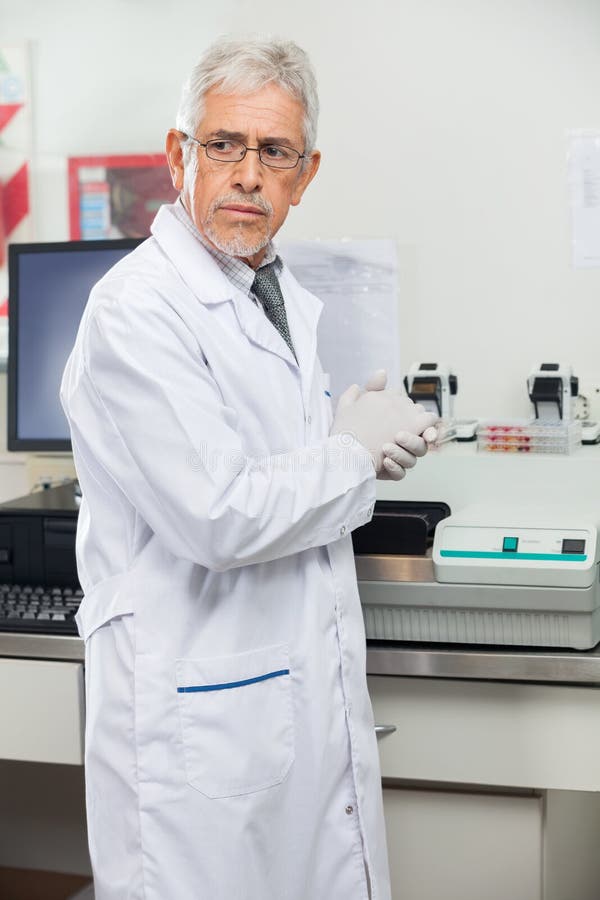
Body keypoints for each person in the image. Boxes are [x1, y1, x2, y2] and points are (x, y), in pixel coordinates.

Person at [61, 37, 438, 900]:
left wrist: (351, 445)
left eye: (275, 152)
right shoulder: (135, 311)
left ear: (305, 175)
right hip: (196, 729)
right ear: (178, 156)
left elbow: (269, 473)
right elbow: (218, 514)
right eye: (224, 144)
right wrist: (350, 456)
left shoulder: (274, 296)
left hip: (282, 701)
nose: (248, 174)